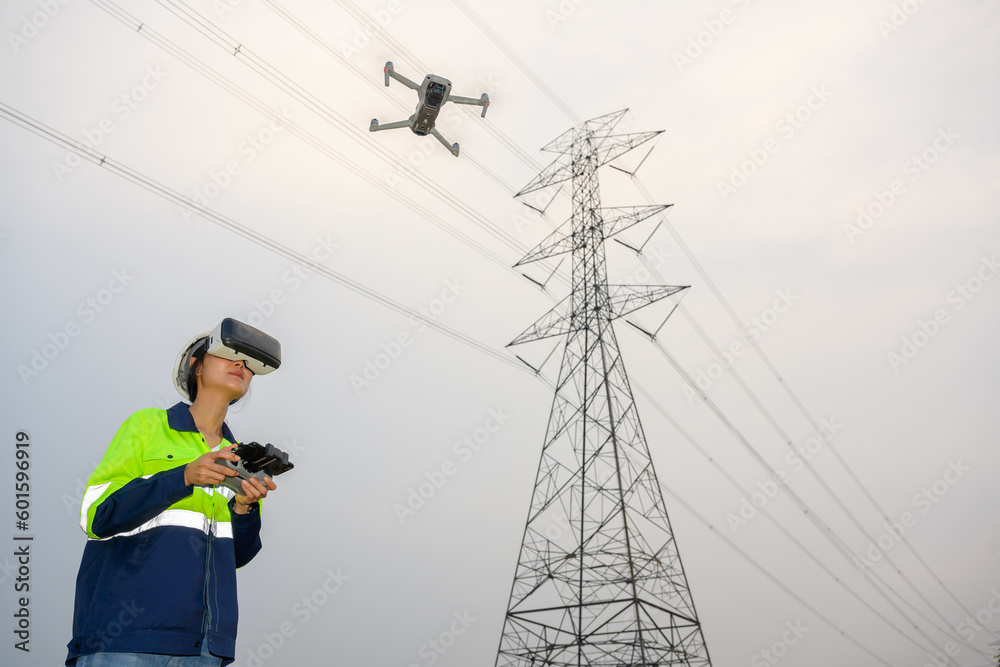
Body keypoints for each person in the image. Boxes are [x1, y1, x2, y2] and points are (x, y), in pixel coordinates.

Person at [66, 319, 282, 666]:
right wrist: (182, 476)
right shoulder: (147, 425)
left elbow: (236, 556)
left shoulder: (236, 455)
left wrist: (244, 508)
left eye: (248, 365)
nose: (240, 366)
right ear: (197, 366)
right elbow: (96, 515)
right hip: (124, 639)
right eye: (227, 355)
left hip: (206, 648)